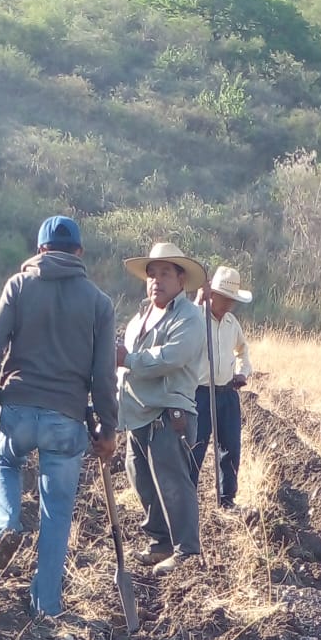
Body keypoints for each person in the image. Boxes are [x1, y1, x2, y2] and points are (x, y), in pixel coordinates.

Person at [0, 215, 118, 618]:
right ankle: (48, 606)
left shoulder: (19, 285)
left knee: (5, 462)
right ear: (79, 253)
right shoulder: (99, 302)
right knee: (56, 513)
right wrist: (107, 429)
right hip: (66, 418)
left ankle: (7, 526)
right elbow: (104, 374)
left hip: (19, 406)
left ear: (40, 250)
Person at [117, 242, 208, 576]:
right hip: (136, 413)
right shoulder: (139, 316)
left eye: (165, 273)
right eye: (152, 274)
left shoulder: (190, 318)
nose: (156, 280)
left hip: (169, 413)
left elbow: (170, 358)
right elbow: (123, 369)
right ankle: (160, 543)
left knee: (172, 482)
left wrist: (128, 359)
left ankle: (187, 551)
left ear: (181, 280)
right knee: (141, 478)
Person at [190, 266, 253, 511]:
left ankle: (227, 500)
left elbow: (243, 351)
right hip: (199, 394)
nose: (228, 304)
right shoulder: (195, 317)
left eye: (232, 300)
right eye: (225, 298)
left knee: (230, 448)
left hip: (226, 393)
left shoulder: (231, 322)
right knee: (195, 448)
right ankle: (188, 500)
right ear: (212, 295)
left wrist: (242, 372)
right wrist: (197, 302)